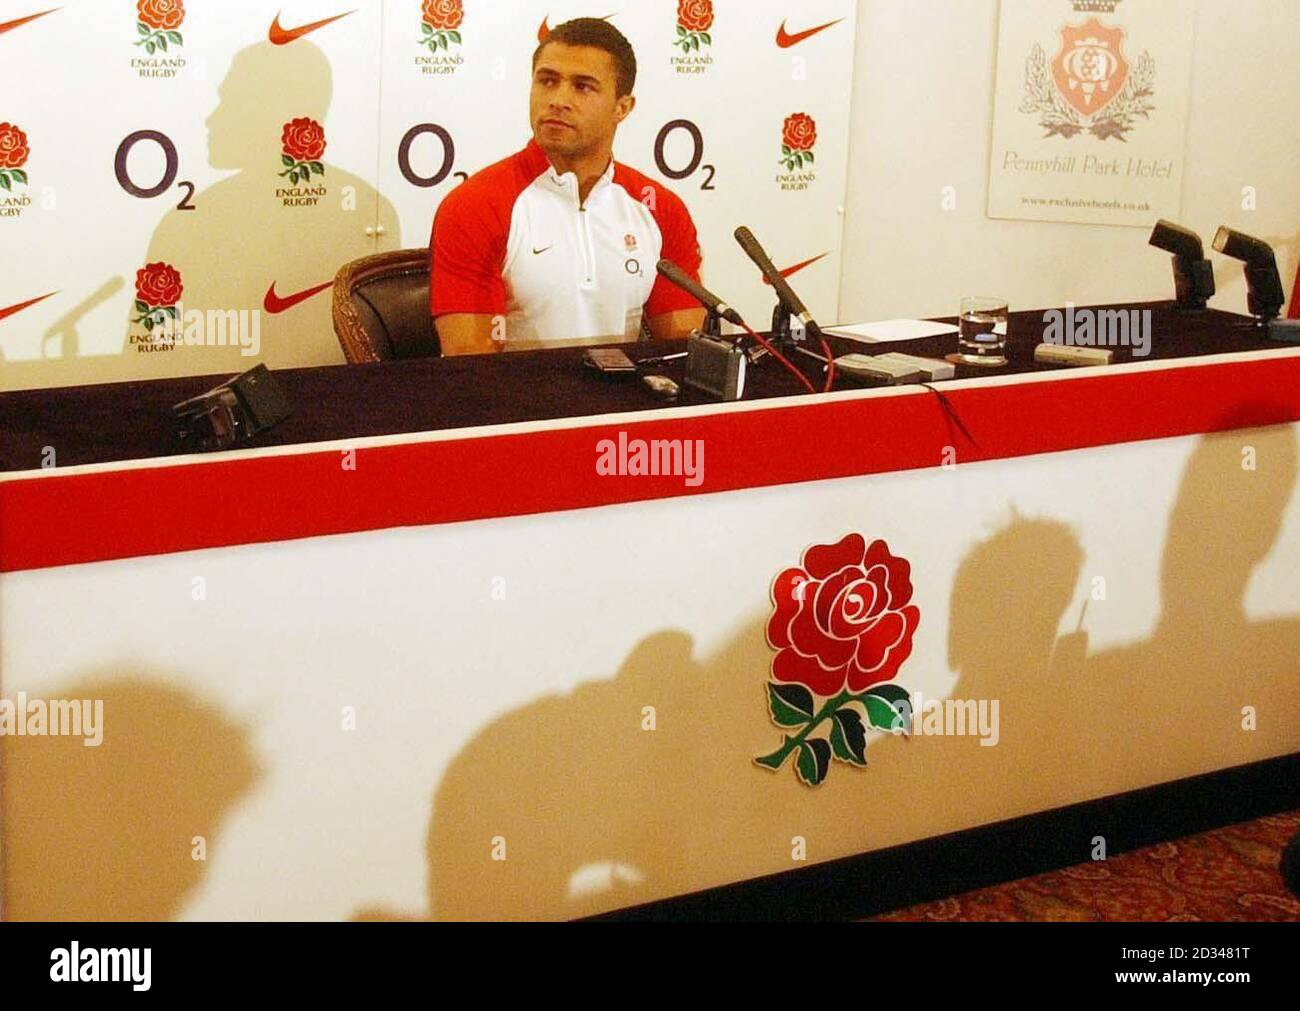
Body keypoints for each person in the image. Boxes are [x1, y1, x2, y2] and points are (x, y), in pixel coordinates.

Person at [429, 18, 707, 356]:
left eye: (582, 86)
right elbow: (470, 364)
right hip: (518, 406)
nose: (558, 99)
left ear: (623, 107)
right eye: (547, 81)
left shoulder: (661, 209)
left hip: (625, 403)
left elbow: (684, 353)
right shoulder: (474, 205)